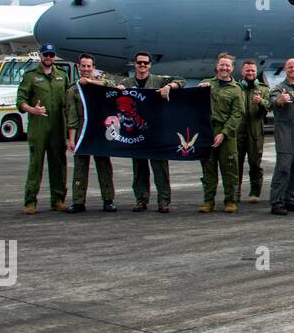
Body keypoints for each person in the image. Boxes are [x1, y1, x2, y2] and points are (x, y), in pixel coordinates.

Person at [115, 52, 183, 212]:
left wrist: (169, 87)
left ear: (150, 65)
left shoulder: (159, 81)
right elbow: (111, 92)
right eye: (139, 62)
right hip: (136, 132)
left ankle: (163, 201)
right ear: (135, 64)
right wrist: (118, 89)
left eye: (145, 63)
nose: (142, 65)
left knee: (160, 168)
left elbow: (181, 81)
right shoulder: (127, 83)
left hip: (155, 132)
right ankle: (141, 199)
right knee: (139, 168)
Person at [17, 44, 69, 215]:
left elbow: (69, 100)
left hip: (58, 126)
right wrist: (33, 110)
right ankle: (30, 201)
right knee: (36, 164)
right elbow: (20, 100)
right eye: (46, 54)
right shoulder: (31, 76)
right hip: (38, 126)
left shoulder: (62, 76)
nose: (49, 58)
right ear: (40, 55)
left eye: (51, 55)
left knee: (58, 163)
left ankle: (58, 200)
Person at [63, 53, 115, 213]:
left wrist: (91, 82)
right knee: (80, 168)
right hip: (82, 131)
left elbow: (112, 86)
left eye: (89, 66)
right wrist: (71, 139)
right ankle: (78, 201)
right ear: (78, 67)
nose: (86, 69)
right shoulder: (73, 90)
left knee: (104, 166)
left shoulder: (101, 84)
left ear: (93, 68)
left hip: (99, 131)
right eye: (83, 66)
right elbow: (71, 116)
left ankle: (108, 200)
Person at [199, 53, 245, 213]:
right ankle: (208, 201)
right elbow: (194, 104)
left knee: (230, 169)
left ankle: (230, 201)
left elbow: (237, 114)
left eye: (227, 65)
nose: (224, 68)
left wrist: (224, 133)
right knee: (208, 169)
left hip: (227, 133)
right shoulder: (206, 84)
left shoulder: (236, 89)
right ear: (216, 66)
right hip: (208, 131)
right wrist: (200, 91)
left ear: (232, 68)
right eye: (222, 65)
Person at [268, 58, 294, 215]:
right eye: (290, 67)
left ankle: (291, 199)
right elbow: (271, 102)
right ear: (285, 69)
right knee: (283, 167)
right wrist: (280, 100)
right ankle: (277, 202)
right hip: (285, 133)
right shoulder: (279, 88)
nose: (293, 70)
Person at [234, 59, 269, 203]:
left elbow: (269, 107)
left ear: (256, 72)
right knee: (236, 164)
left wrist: (261, 102)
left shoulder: (263, 89)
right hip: (238, 131)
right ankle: (235, 193)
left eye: (253, 71)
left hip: (255, 133)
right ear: (242, 72)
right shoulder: (236, 88)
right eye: (247, 70)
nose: (250, 73)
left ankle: (255, 192)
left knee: (255, 163)